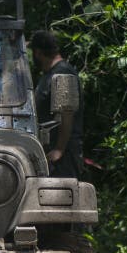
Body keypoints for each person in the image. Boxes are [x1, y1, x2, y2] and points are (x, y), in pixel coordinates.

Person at [29, 30, 84, 179]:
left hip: (62, 157)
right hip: (50, 153)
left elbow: (67, 113)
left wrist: (59, 149)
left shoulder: (63, 73)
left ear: (38, 53)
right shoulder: (48, 75)